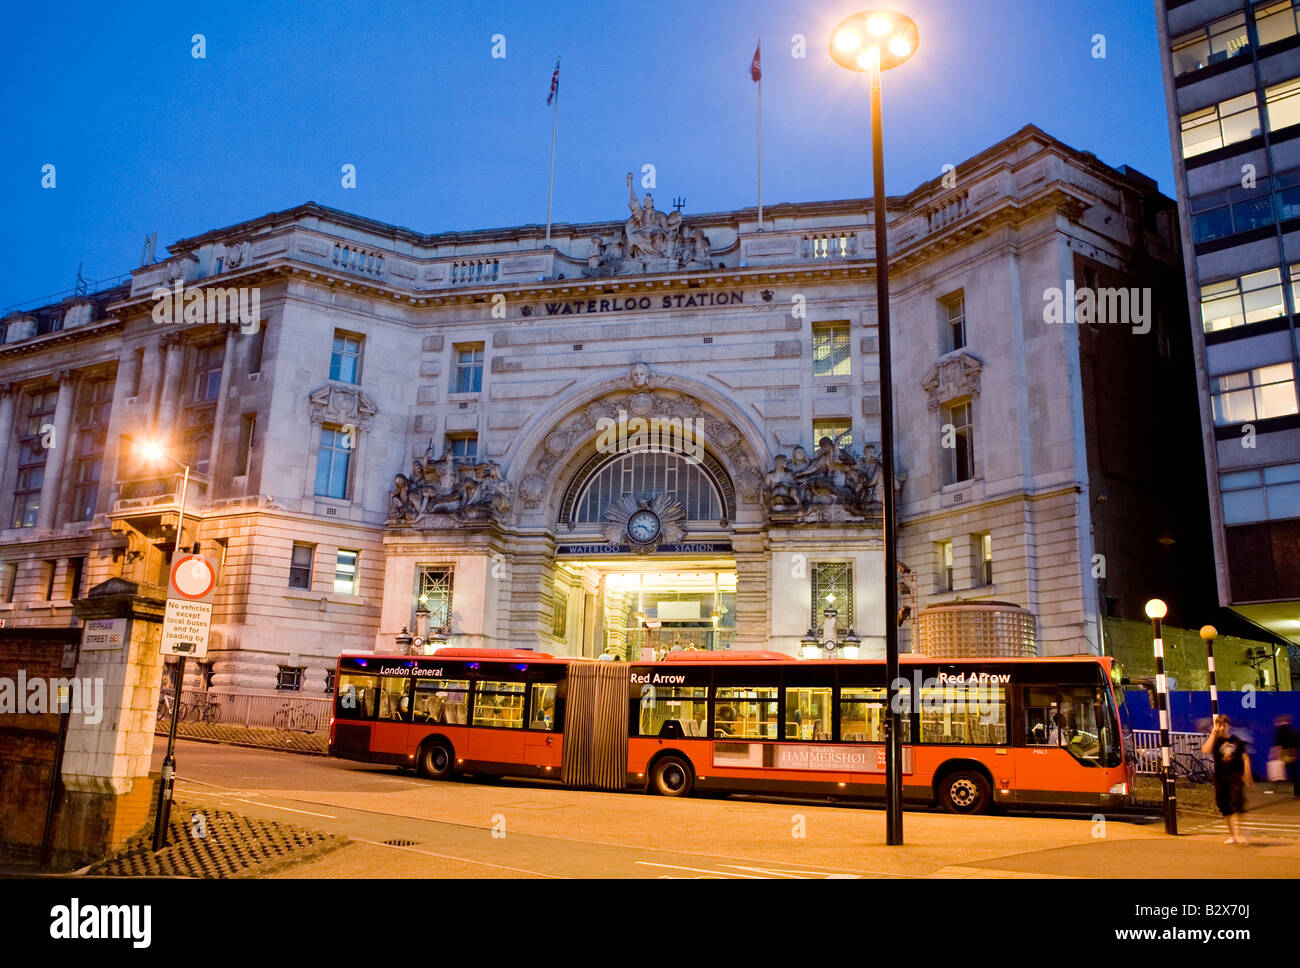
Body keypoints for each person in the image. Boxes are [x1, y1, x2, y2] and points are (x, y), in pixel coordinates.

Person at [1203, 714, 1254, 844]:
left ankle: (1240, 833)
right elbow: (1205, 750)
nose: (1221, 728)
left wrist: (1247, 775)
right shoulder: (1215, 740)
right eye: (1218, 725)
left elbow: (1245, 758)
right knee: (1223, 805)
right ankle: (1233, 835)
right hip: (1220, 777)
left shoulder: (1236, 740)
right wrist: (1213, 735)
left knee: (1237, 803)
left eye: (1223, 725)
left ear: (1228, 726)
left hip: (1235, 776)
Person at [1272, 715, 1299, 797]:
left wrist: (1274, 754)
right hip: (1294, 753)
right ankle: (1297, 792)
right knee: (1294, 773)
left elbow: (1278, 744)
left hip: (1285, 753)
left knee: (1282, 771)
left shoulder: (1280, 730)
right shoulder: (1293, 729)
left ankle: (1275, 786)